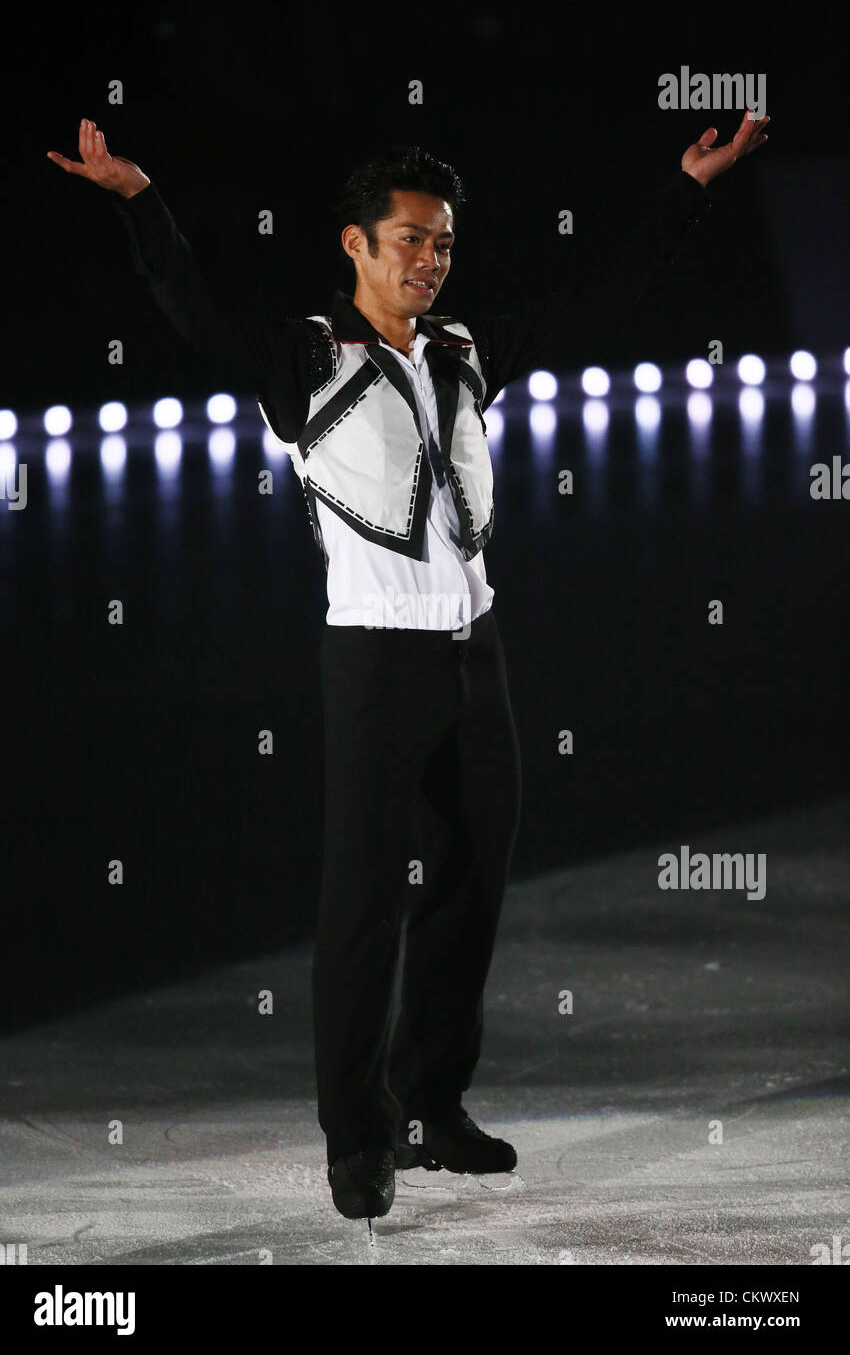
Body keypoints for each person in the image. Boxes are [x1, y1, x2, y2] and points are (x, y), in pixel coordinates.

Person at [47, 110, 770, 1220]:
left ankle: (432, 1103)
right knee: (362, 909)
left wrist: (685, 188)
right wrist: (138, 197)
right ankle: (357, 1137)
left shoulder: (466, 353)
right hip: (374, 664)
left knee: (472, 887)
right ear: (354, 243)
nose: (428, 260)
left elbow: (602, 306)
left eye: (441, 242)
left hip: (475, 654)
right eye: (408, 241)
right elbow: (187, 306)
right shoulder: (302, 358)